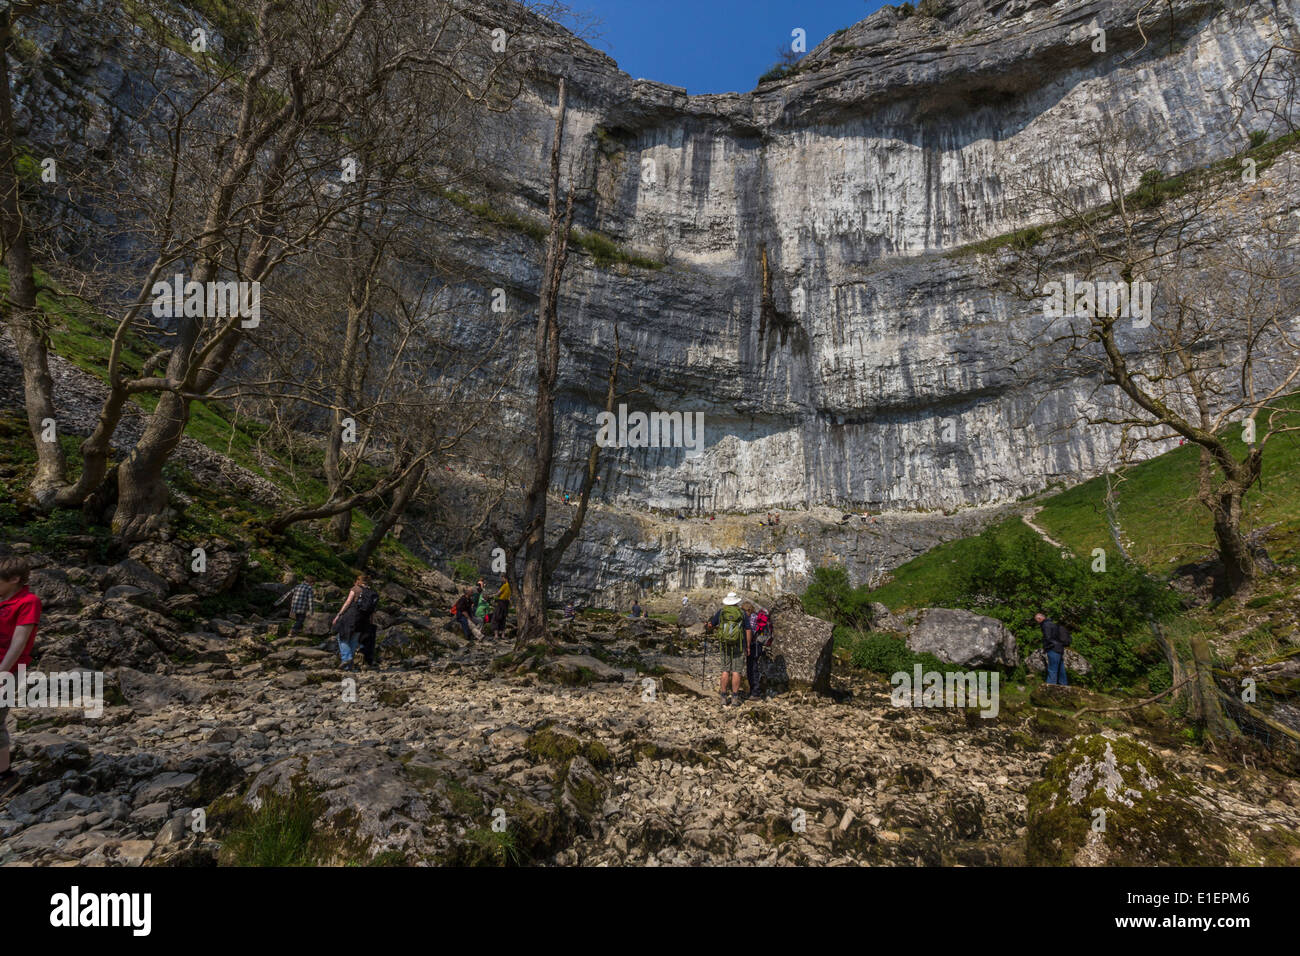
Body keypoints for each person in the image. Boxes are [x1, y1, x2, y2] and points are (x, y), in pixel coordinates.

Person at [0, 556, 41, 800]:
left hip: (9, 667)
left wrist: (3, 672)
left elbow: (19, 641)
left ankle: (6, 776)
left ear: (15, 579)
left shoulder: (28, 602)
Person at [707, 592, 751, 708]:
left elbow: (711, 625)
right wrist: (748, 646)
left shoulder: (722, 612)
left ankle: (723, 697)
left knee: (725, 670)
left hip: (725, 645)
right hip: (739, 645)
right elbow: (748, 629)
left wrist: (709, 625)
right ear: (736, 601)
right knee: (736, 671)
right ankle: (735, 698)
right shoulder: (742, 613)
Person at [333, 575, 379, 671]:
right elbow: (372, 612)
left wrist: (339, 614)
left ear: (358, 581)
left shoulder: (356, 589)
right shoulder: (373, 593)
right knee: (354, 641)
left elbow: (348, 602)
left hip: (351, 617)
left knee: (342, 638)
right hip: (364, 620)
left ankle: (347, 659)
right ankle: (349, 667)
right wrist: (370, 624)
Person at [1035, 612, 1071, 686]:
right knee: (1061, 670)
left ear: (1040, 618)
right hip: (1060, 648)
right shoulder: (1053, 624)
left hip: (1053, 649)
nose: (1037, 622)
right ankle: (1064, 687)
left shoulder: (1045, 625)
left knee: (1052, 670)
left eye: (1037, 620)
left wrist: (1046, 647)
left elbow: (1048, 638)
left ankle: (1050, 688)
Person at [747, 604, 770, 700]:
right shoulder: (757, 617)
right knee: (753, 667)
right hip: (758, 645)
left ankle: (755, 692)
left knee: (752, 668)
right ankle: (754, 691)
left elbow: (750, 631)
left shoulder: (752, 618)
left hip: (754, 645)